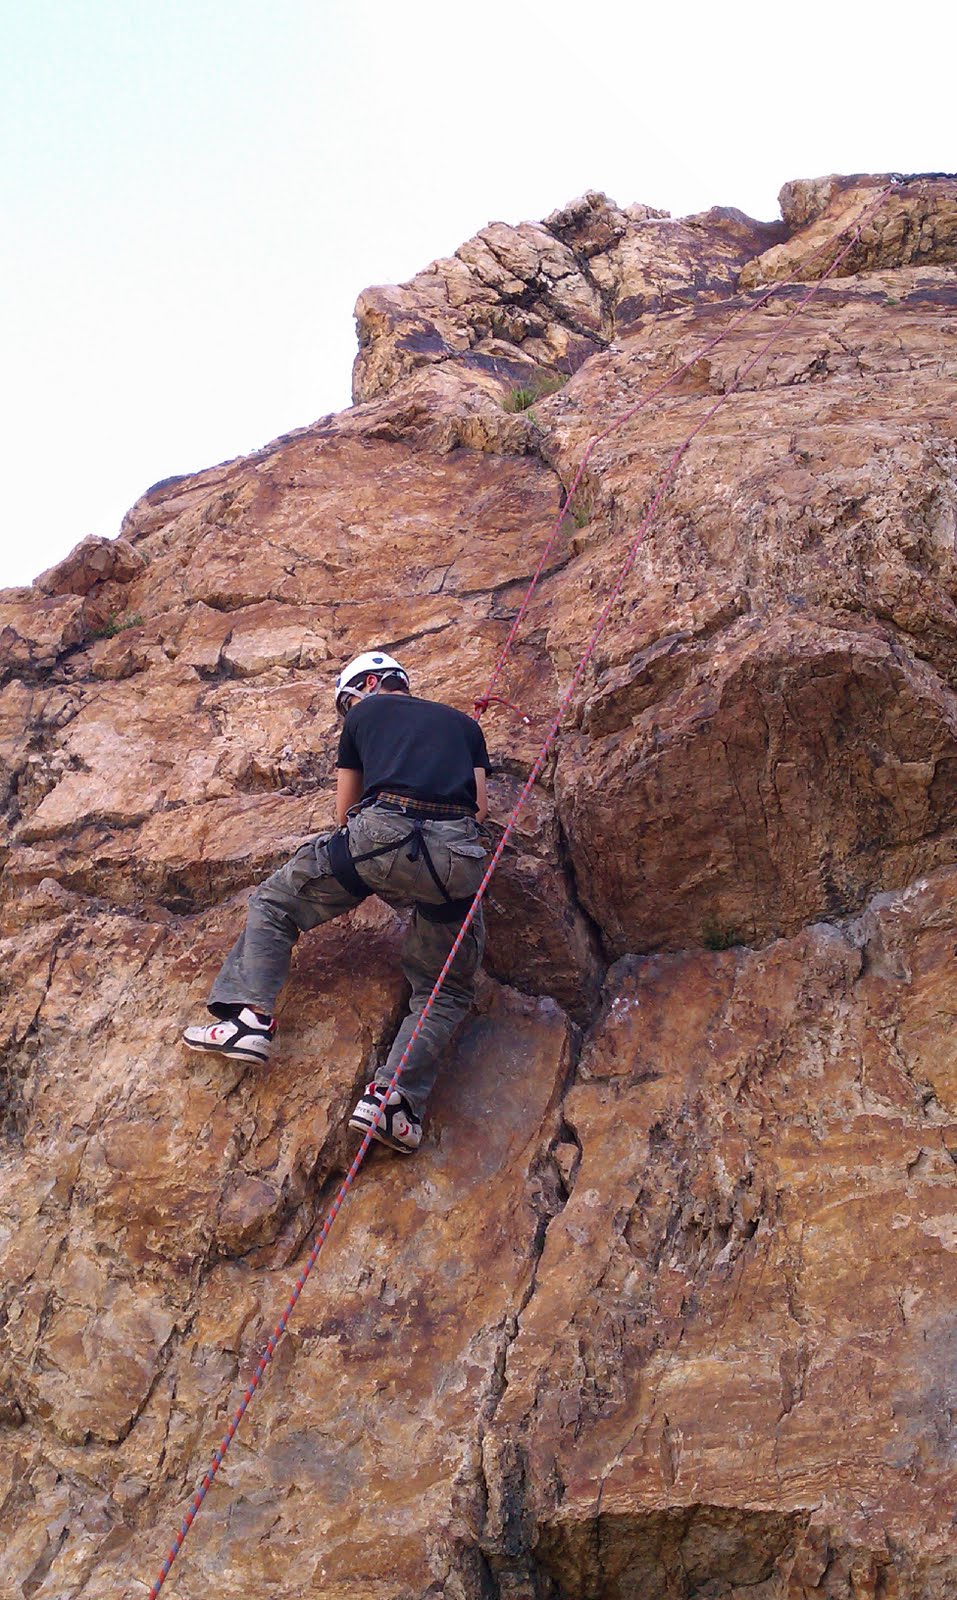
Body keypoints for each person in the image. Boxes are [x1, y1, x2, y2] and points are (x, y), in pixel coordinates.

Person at [182, 650, 491, 1153]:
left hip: (377, 840)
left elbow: (346, 809)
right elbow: (479, 809)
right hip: (453, 863)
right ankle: (393, 1100)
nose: (350, 711)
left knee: (277, 903)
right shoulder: (464, 725)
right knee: (444, 989)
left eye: (347, 701)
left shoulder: (366, 714)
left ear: (369, 684)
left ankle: (247, 1020)